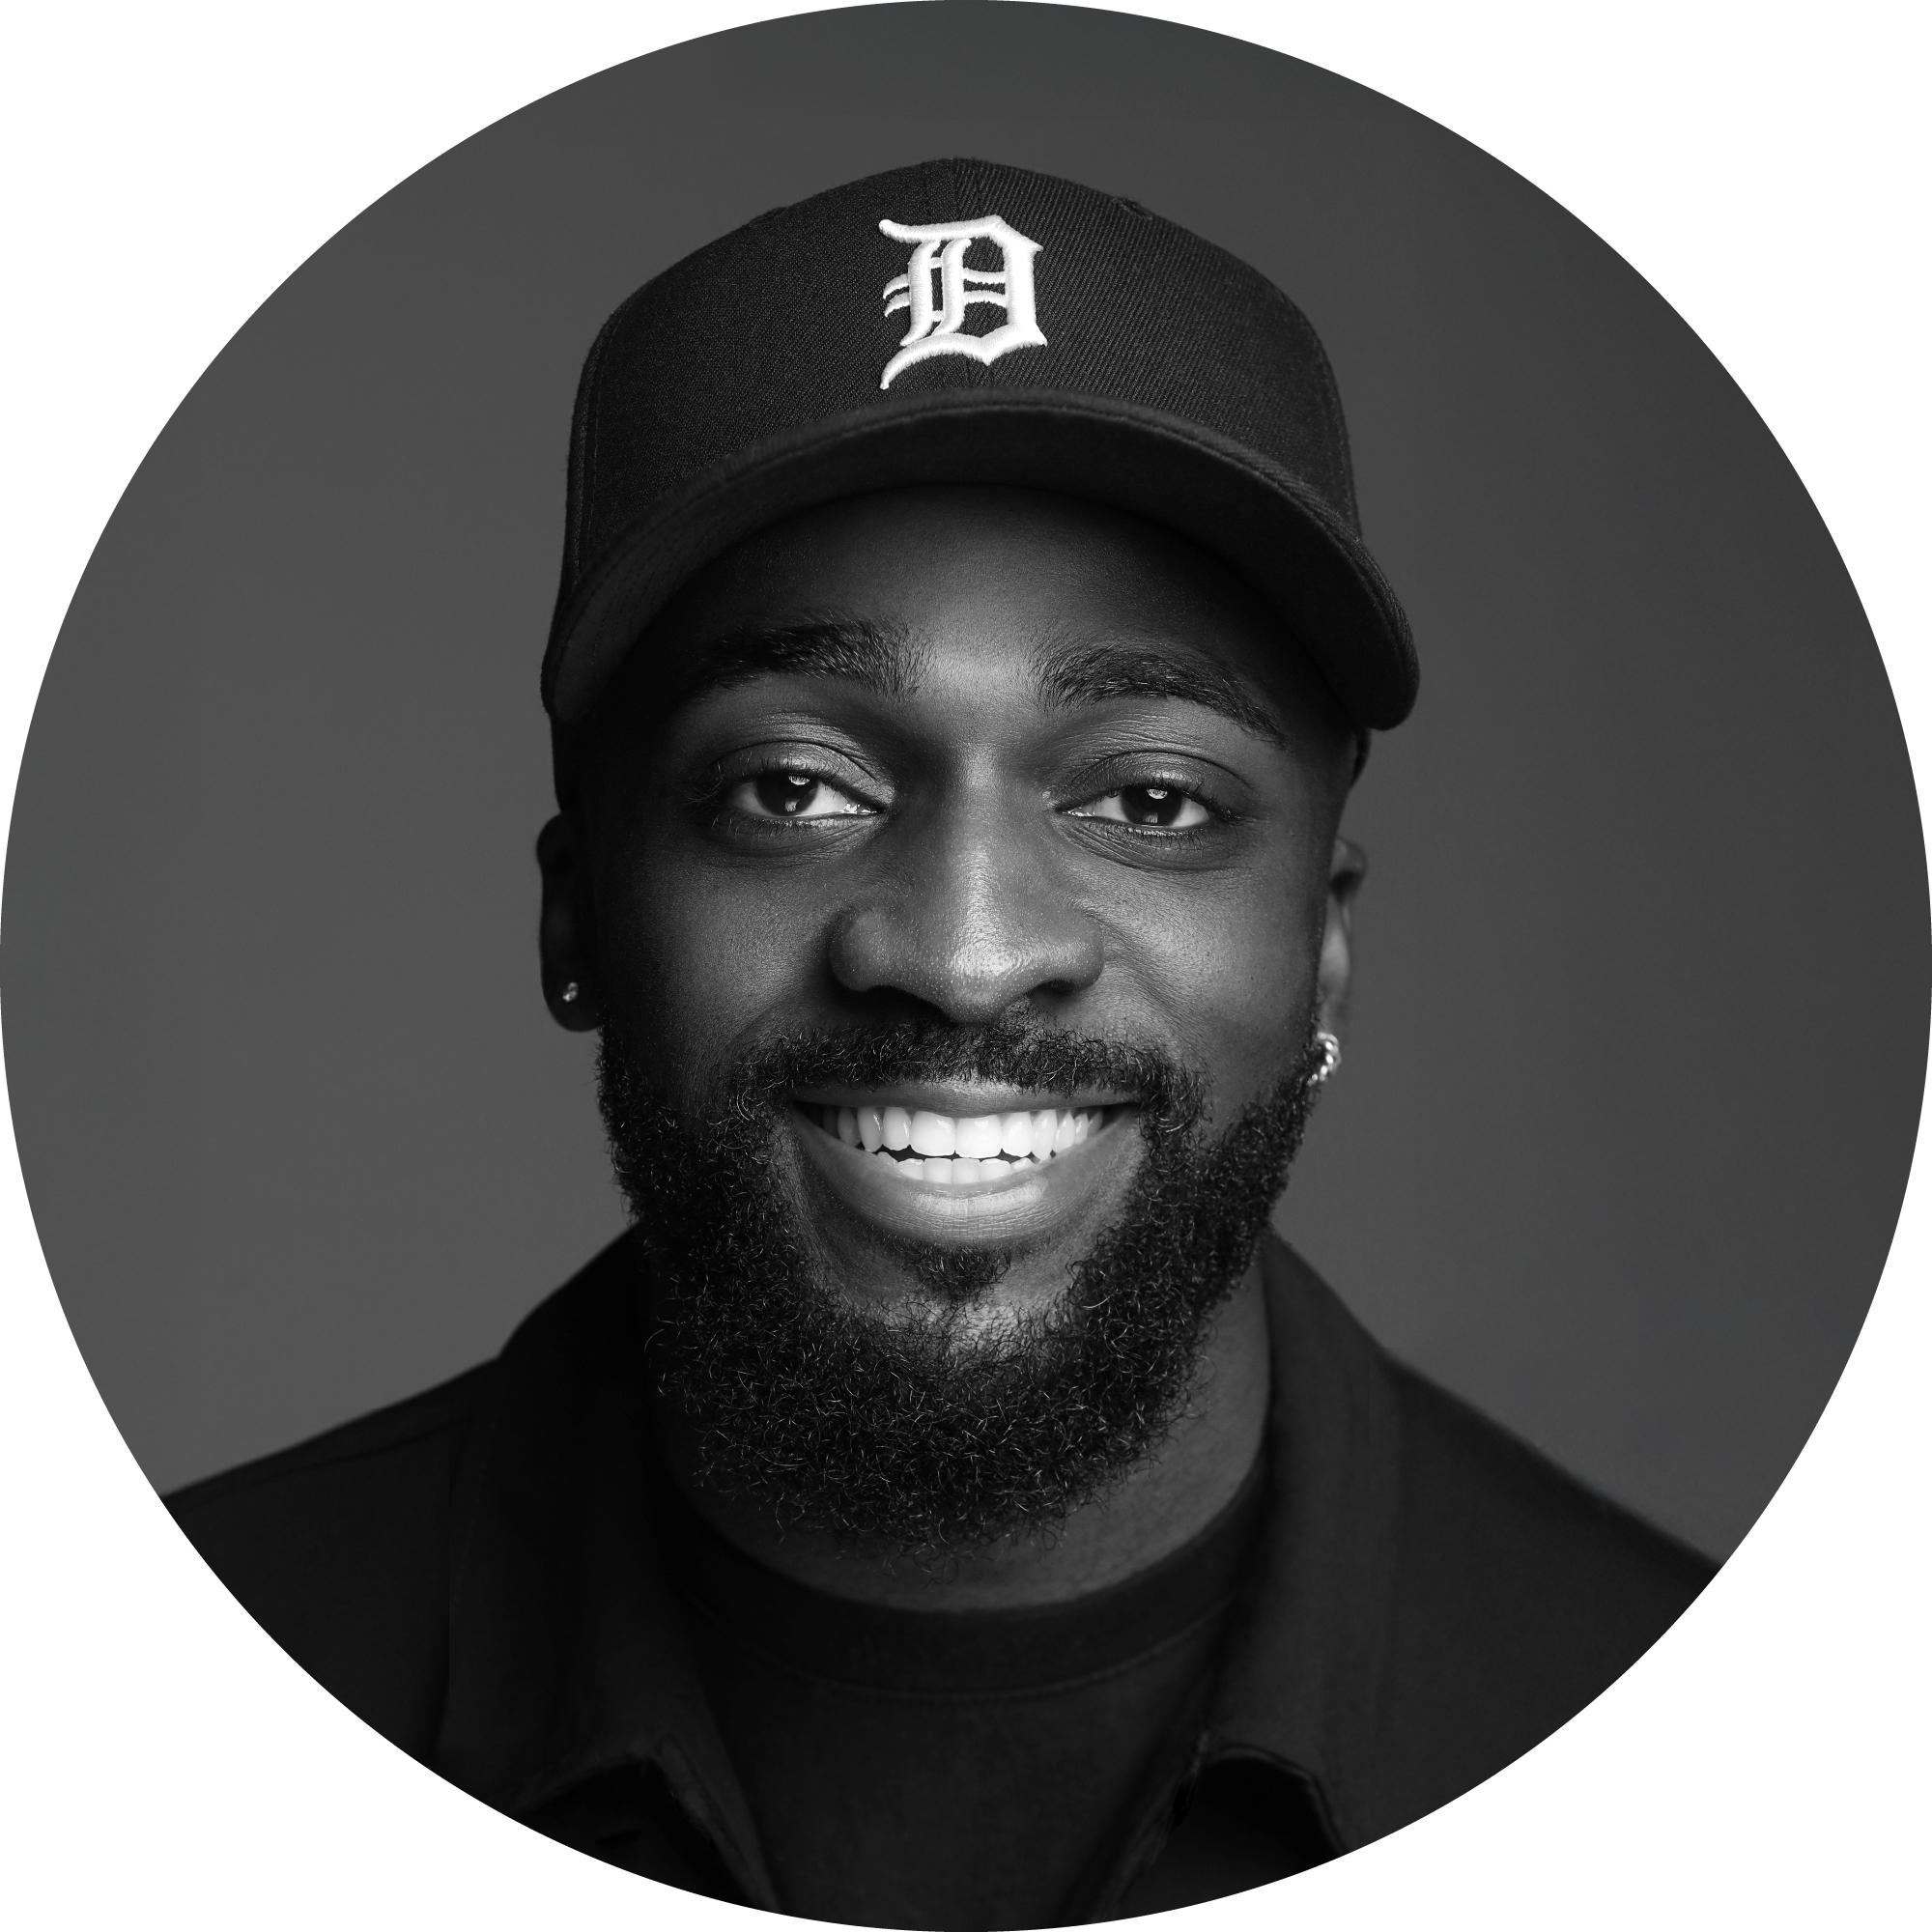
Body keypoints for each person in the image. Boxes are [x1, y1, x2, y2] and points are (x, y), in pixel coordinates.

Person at [163, 158, 1841, 1928]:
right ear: (580, 918)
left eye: (1152, 799)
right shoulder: (151, 1708)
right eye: (793, 787)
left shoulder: (1736, 1772)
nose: (965, 960)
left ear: (1324, 948)